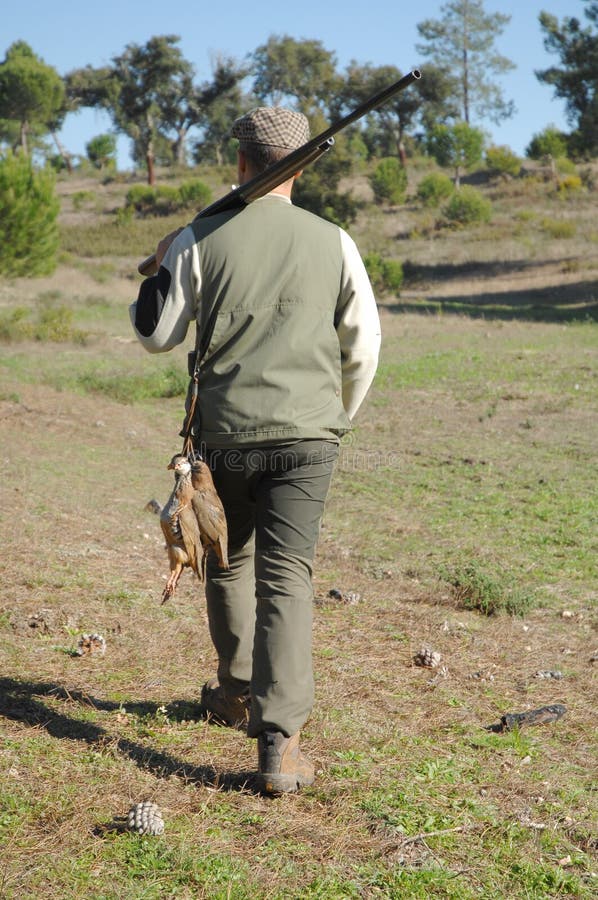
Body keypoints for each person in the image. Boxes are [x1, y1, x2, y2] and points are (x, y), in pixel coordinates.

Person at [129, 106, 381, 794]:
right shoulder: (336, 241)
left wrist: (161, 264)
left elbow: (156, 335)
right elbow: (364, 345)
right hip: (309, 438)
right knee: (287, 575)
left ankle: (237, 689)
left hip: (224, 438)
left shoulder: (199, 239)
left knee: (228, 561)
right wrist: (330, 421)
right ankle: (278, 741)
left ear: (240, 163)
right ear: (300, 170)